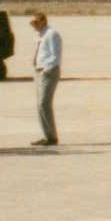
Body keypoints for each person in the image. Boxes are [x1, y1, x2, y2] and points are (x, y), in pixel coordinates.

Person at [29, 12, 62, 146]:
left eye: (36, 23)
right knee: (40, 105)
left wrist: (46, 70)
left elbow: (55, 55)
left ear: (43, 21)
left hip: (48, 72)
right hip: (39, 72)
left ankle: (52, 137)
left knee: (44, 103)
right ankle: (47, 134)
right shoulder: (41, 35)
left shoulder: (52, 34)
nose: (34, 26)